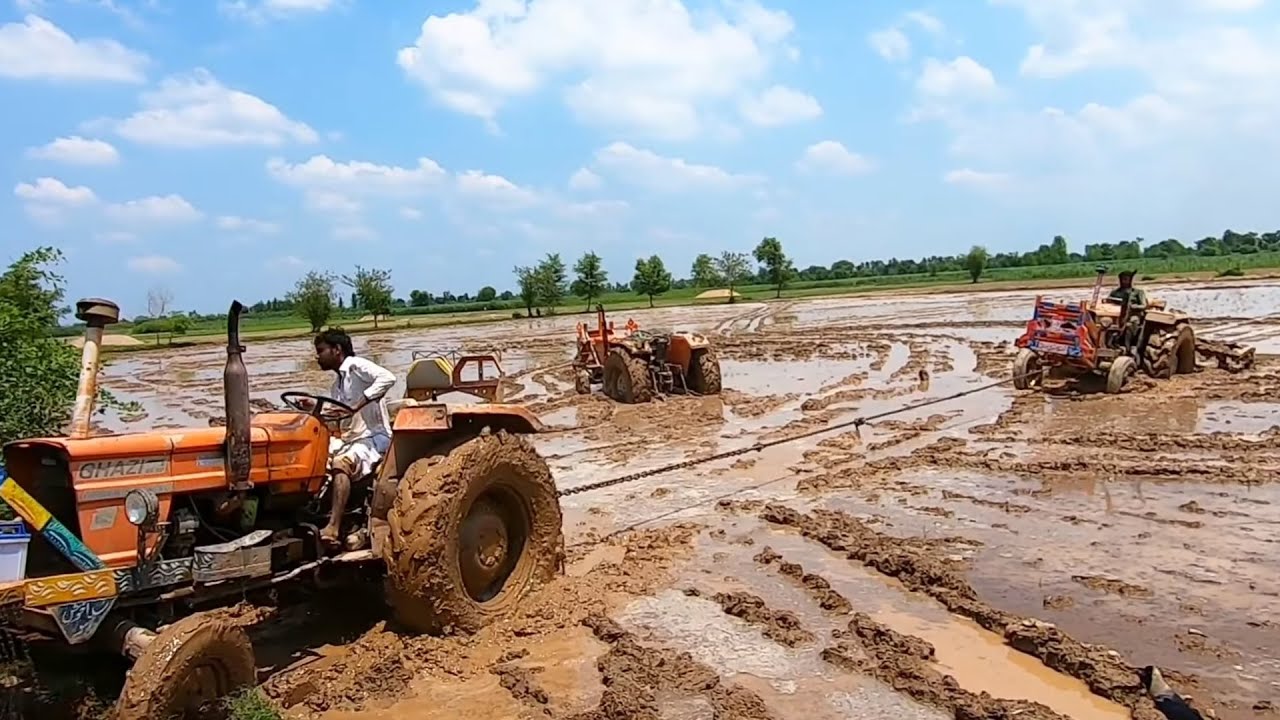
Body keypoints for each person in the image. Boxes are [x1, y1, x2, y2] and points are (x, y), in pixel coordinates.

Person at [312, 328, 396, 549]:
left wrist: (359, 403)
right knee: (315, 457)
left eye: (320, 351)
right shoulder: (336, 384)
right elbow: (339, 414)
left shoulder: (356, 366)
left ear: (336, 349)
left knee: (342, 463)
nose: (317, 356)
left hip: (373, 436)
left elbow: (388, 378)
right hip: (352, 438)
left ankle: (333, 526)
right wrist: (313, 409)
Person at [1108, 270, 1148, 349]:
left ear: (1130, 280)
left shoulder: (1137, 292)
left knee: (1131, 324)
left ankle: (1128, 347)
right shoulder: (1115, 292)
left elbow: (1144, 306)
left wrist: (1133, 306)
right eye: (1122, 279)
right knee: (1107, 325)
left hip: (1133, 314)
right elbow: (1108, 303)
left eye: (1126, 279)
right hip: (1117, 315)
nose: (1124, 281)